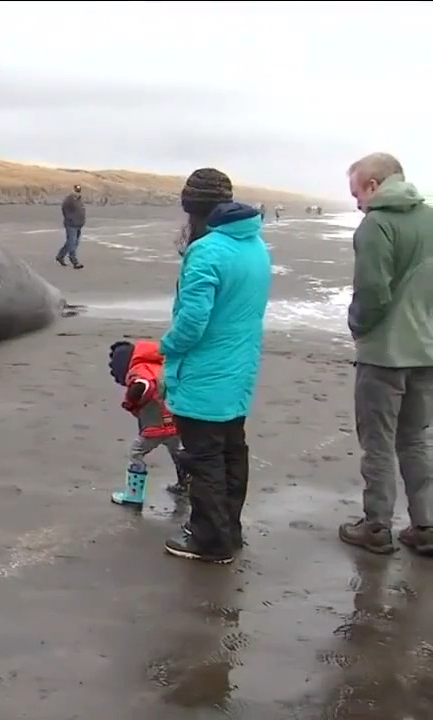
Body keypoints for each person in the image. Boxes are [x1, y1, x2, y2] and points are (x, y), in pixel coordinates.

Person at [159, 168, 271, 564]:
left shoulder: (207, 251)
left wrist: (165, 348)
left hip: (205, 372)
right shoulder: (255, 244)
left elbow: (192, 321)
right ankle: (228, 529)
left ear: (193, 210)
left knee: (203, 456)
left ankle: (210, 539)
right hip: (239, 370)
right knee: (231, 452)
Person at [336, 153, 433, 556]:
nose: (357, 202)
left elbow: (372, 292)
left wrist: (358, 326)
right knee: (415, 440)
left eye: (356, 193)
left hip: (384, 354)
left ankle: (377, 525)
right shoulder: (430, 218)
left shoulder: (376, 224)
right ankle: (426, 524)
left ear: (373, 185)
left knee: (378, 442)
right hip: (426, 350)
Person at [107, 340, 189, 507]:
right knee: (177, 453)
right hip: (174, 423)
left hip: (154, 425)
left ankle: (133, 495)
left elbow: (143, 386)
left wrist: (130, 400)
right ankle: (184, 484)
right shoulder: (160, 368)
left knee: (136, 453)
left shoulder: (139, 372)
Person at [56, 184, 85, 269]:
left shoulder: (79, 200)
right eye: (76, 191)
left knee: (73, 242)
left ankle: (60, 256)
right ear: (72, 190)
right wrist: (69, 218)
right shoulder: (69, 200)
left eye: (78, 191)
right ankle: (74, 261)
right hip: (71, 224)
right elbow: (64, 208)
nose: (77, 193)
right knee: (72, 242)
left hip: (78, 224)